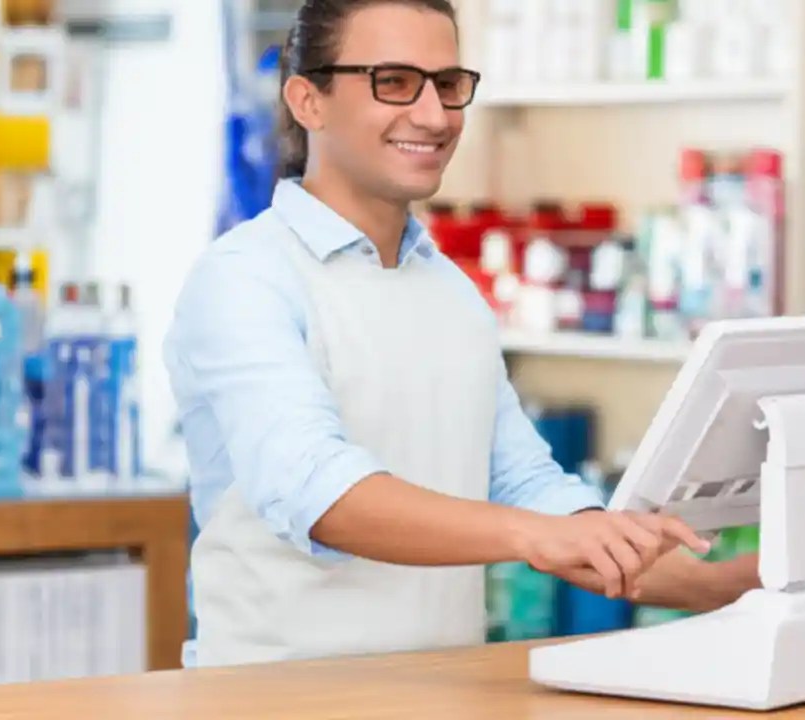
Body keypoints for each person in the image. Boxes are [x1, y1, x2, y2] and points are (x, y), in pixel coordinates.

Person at [164, 0, 761, 669]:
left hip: (444, 693)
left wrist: (722, 585)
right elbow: (318, 494)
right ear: (308, 100)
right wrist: (534, 537)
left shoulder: (449, 289)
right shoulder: (244, 278)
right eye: (394, 81)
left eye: (447, 84)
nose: (434, 115)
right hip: (276, 699)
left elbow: (525, 484)